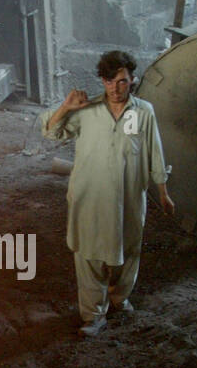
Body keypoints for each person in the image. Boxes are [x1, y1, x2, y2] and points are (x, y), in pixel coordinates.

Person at [40, 50, 175, 337]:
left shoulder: (143, 112)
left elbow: (155, 153)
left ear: (132, 81)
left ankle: (118, 298)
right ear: (102, 81)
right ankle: (93, 315)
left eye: (123, 82)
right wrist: (66, 106)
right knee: (89, 252)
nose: (116, 88)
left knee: (129, 250)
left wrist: (163, 192)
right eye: (110, 81)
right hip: (90, 196)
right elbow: (51, 133)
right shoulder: (86, 111)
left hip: (128, 197)